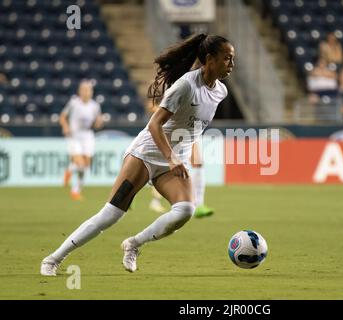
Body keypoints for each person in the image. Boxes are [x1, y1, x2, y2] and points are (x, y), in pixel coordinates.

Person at [40, 34, 235, 276]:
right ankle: (53, 259)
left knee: (185, 210)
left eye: (232, 59)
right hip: (147, 153)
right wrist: (172, 157)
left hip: (175, 160)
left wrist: (182, 155)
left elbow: (191, 126)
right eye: (227, 58)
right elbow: (155, 124)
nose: (231, 64)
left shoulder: (221, 92)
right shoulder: (185, 85)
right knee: (110, 214)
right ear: (210, 59)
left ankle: (134, 244)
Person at [61, 80, 103, 200]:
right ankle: (70, 173)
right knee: (79, 163)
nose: (86, 92)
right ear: (80, 91)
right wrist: (65, 127)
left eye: (89, 90)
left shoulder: (95, 106)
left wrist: (99, 122)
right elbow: (62, 117)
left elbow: (97, 124)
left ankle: (75, 190)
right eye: (84, 90)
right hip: (74, 136)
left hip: (87, 136)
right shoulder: (74, 103)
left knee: (86, 165)